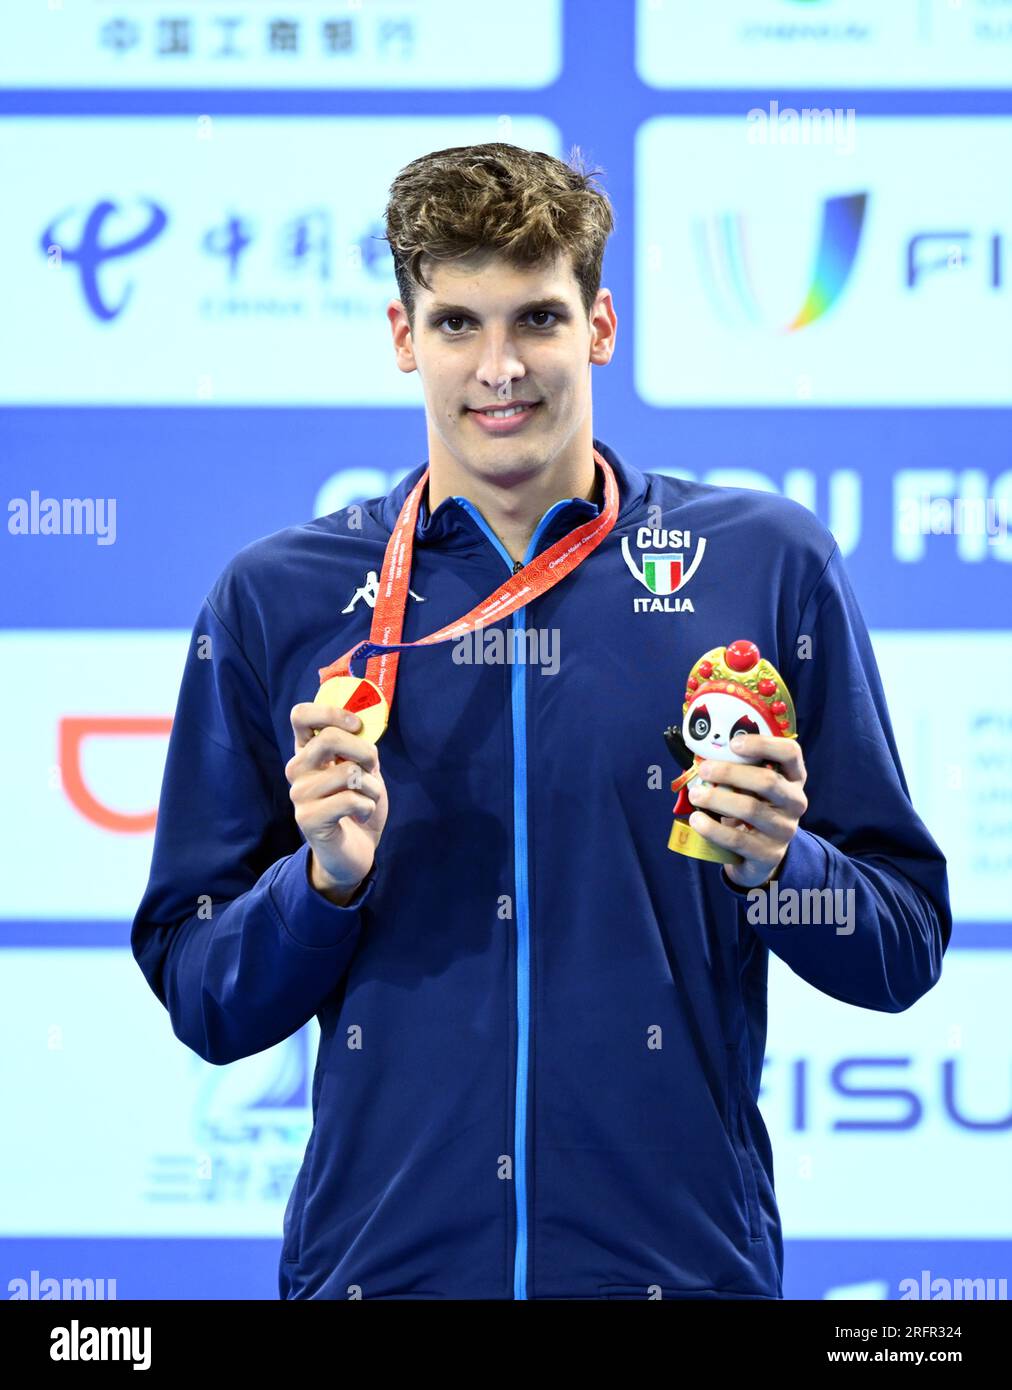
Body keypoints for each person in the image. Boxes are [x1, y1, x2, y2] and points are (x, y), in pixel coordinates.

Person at [131, 142, 952, 1301]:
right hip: (384, 1279)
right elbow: (205, 997)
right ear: (403, 337)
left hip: (681, 1278)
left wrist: (780, 866)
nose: (500, 367)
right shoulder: (279, 596)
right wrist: (317, 889)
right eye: (458, 323)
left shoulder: (761, 567)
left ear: (600, 324)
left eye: (538, 319)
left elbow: (902, 942)